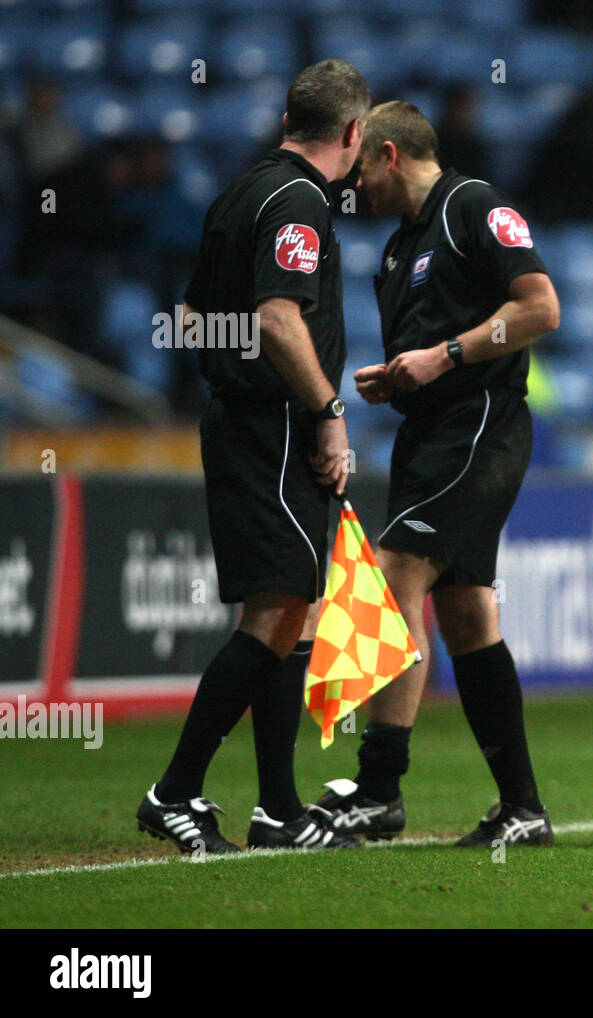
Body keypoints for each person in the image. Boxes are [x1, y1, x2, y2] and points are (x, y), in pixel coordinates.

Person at [135, 60, 370, 854]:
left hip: (249, 422)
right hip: (274, 431)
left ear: (286, 119)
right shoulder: (301, 200)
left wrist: (232, 380)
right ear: (353, 133)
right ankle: (172, 792)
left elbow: (192, 319)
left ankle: (277, 809)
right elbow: (276, 317)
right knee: (273, 614)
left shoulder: (239, 191)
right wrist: (325, 410)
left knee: (289, 612)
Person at [317, 101, 561, 847]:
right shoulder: (396, 253)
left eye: (361, 168)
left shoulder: (472, 207)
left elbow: (541, 308)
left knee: (394, 576)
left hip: (480, 427)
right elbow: (427, 349)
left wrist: (445, 356)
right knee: (466, 614)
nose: (354, 185)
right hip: (428, 437)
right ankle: (522, 809)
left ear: (390, 154)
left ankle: (379, 789)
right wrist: (401, 377)